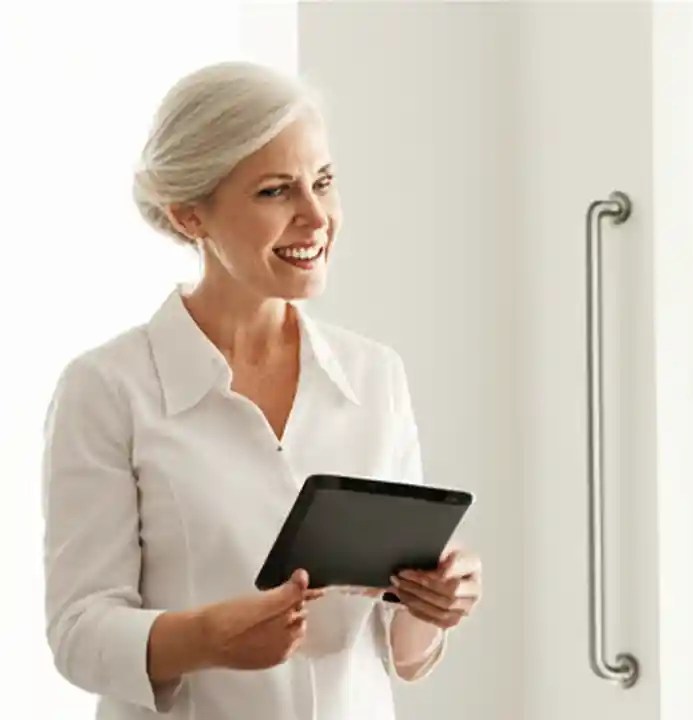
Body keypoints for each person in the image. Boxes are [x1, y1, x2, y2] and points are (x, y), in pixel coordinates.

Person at [41, 61, 483, 720]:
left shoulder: (374, 375)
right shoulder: (107, 389)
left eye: (323, 182)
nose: (316, 217)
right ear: (191, 216)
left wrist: (434, 606)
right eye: (276, 191)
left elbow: (397, 650)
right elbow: (78, 633)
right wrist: (208, 638)